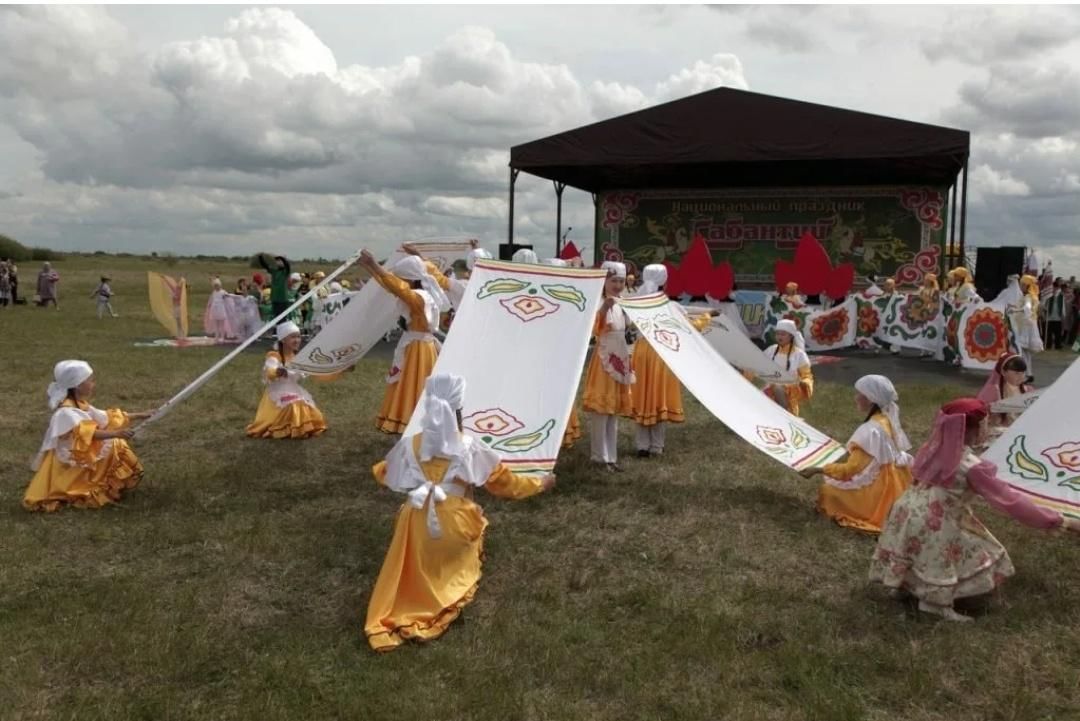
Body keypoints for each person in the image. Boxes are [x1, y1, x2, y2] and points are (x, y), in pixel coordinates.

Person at [364, 373, 555, 652]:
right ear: (459, 408)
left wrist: (420, 479)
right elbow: (506, 485)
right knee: (462, 532)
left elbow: (384, 472)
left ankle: (411, 594)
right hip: (453, 524)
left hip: (415, 520)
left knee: (415, 549)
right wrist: (541, 483)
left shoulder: (410, 445)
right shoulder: (468, 446)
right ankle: (437, 593)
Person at [869, 398, 1078, 622]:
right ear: (972, 429)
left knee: (914, 549)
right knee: (953, 554)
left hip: (906, 510)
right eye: (985, 423)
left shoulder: (932, 449)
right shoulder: (971, 467)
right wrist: (1057, 520)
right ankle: (934, 603)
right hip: (937, 519)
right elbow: (1010, 500)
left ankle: (904, 584)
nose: (987, 428)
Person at [24, 360, 154, 512]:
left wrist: (140, 415)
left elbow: (104, 417)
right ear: (78, 385)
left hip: (78, 453)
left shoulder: (79, 404)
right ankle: (80, 489)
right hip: (70, 461)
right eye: (90, 381)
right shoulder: (66, 412)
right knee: (115, 444)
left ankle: (97, 485)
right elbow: (89, 433)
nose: (94, 384)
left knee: (115, 443)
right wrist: (116, 433)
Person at [804, 375, 912, 533]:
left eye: (860, 394)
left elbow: (849, 470)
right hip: (894, 481)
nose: (856, 398)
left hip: (879, 491)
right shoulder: (885, 419)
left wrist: (818, 469)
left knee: (828, 493)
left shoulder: (870, 430)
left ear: (870, 399)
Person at [359, 249, 451, 434]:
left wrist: (374, 264)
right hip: (419, 346)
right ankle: (413, 420)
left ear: (410, 277)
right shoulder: (420, 293)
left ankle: (413, 420)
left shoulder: (419, 297)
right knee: (410, 382)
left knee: (413, 384)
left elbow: (395, 287)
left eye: (404, 278)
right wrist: (369, 267)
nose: (402, 282)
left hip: (418, 349)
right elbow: (391, 286)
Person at [629, 264, 716, 457]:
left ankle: (642, 445)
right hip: (662, 354)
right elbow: (689, 328)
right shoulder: (671, 307)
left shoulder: (638, 304)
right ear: (665, 282)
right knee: (658, 397)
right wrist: (707, 317)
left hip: (642, 353)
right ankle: (657, 446)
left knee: (643, 395)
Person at [583, 261, 635, 471]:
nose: (617, 285)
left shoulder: (623, 302)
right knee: (602, 410)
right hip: (604, 358)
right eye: (613, 281)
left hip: (620, 356)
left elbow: (629, 327)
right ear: (604, 281)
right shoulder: (597, 303)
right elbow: (593, 329)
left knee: (612, 411)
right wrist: (604, 309)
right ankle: (598, 456)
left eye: (621, 281)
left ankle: (611, 457)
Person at [246, 321, 330, 439]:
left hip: (294, 390)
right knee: (294, 404)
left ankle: (299, 427)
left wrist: (339, 369)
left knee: (312, 411)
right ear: (283, 340)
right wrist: (277, 372)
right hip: (277, 392)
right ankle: (289, 428)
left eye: (298, 337)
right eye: (293, 337)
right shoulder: (274, 355)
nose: (297, 340)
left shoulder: (298, 357)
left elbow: (317, 373)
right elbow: (270, 372)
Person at [749, 319, 813, 417]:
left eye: (783, 334)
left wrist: (805, 383)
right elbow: (757, 365)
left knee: (778, 388)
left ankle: (786, 415)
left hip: (790, 390)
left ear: (791, 336)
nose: (779, 336)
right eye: (778, 334)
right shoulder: (771, 350)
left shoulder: (799, 354)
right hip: (770, 387)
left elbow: (806, 375)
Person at [976, 353, 1033, 431]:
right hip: (998, 433)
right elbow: (980, 415)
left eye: (1023, 373)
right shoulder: (993, 391)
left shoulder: (1028, 390)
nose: (1021, 376)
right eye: (1016, 373)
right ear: (1003, 372)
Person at [1010, 275, 1044, 381]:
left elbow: (1027, 308)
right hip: (1028, 324)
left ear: (1027, 286)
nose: (1021, 286)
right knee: (1026, 352)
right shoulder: (1030, 296)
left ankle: (1025, 374)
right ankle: (1028, 373)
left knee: (1022, 351)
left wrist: (1016, 311)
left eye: (1022, 285)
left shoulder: (1029, 297)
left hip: (1025, 326)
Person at [258, 254, 292, 320]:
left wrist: (281, 258)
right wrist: (261, 258)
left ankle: (283, 329)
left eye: (280, 261)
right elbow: (266, 266)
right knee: (276, 317)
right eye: (277, 261)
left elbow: (287, 265)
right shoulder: (274, 271)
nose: (278, 262)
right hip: (274, 298)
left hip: (283, 299)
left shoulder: (285, 272)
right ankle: (277, 329)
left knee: (282, 317)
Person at [205, 278, 235, 343]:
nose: (216, 287)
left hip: (221, 309)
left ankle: (222, 337)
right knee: (216, 324)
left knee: (222, 324)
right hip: (215, 310)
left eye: (217, 285)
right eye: (215, 286)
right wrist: (209, 305)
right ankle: (216, 336)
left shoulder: (223, 292)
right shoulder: (214, 292)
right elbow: (211, 299)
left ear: (220, 285)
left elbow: (228, 298)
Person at [1042, 279, 1066, 350]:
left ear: (1058, 288)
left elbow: (1063, 306)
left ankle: (1057, 345)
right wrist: (1044, 310)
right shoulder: (1048, 296)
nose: (1055, 289)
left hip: (1057, 318)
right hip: (1049, 318)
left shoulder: (1061, 296)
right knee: (1048, 333)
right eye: (1054, 288)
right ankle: (1048, 345)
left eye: (1057, 288)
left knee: (1057, 333)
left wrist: (1063, 315)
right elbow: (1044, 305)